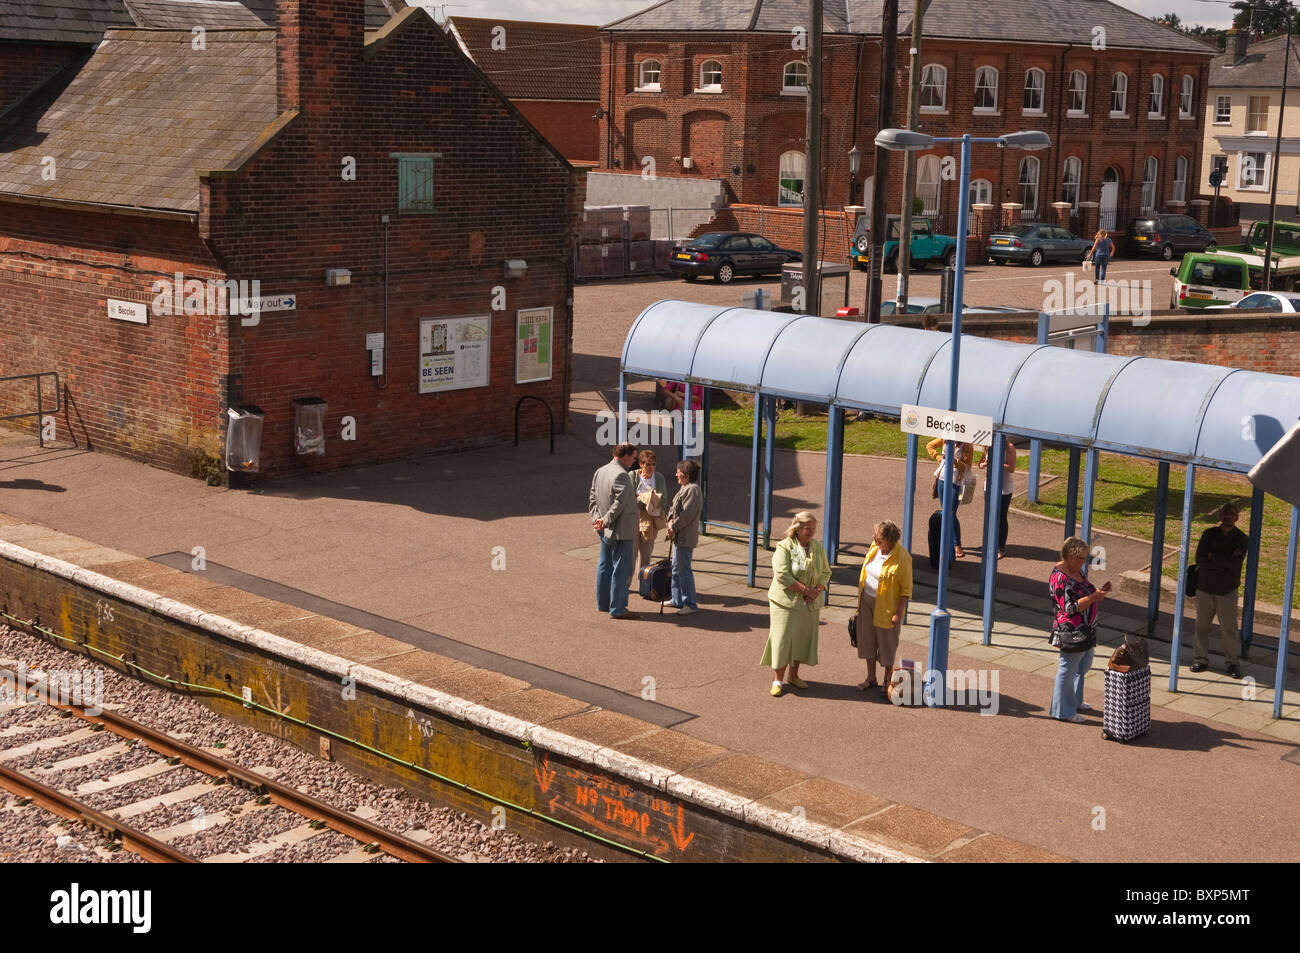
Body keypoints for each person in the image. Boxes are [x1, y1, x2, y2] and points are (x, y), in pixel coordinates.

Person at [761, 512, 831, 697]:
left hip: (809, 603)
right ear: (797, 528)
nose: (811, 532)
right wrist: (806, 590)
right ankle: (777, 680)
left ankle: (794, 676)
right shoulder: (784, 546)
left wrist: (817, 589)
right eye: (808, 528)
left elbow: (826, 571)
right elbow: (782, 574)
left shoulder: (818, 547)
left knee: (801, 639)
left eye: (813, 529)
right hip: (784, 602)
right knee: (782, 639)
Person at [1049, 536, 1111, 722]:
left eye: (1085, 558)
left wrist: (1098, 592)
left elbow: (1087, 587)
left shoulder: (1077, 571)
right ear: (1069, 557)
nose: (1084, 562)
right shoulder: (1060, 577)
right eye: (1081, 558)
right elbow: (1069, 608)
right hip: (1071, 631)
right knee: (1068, 669)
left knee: (1082, 666)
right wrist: (1093, 598)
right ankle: (1063, 711)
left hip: (1086, 628)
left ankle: (1075, 700)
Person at [855, 520, 914, 696]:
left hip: (887, 607)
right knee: (867, 640)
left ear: (889, 540)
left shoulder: (902, 558)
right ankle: (871, 677)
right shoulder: (875, 548)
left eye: (878, 537)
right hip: (866, 601)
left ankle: (888, 681)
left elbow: (906, 589)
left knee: (887, 644)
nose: (874, 539)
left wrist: (899, 612)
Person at [1192, 503, 1249, 678]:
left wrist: (1213, 557)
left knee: (1229, 629)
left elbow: (1234, 565)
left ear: (1236, 517)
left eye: (1232, 513)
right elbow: (1200, 559)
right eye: (1225, 513)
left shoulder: (1241, 538)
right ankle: (1200, 659)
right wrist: (1224, 560)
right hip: (1205, 588)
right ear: (1220, 516)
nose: (1228, 516)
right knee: (1201, 626)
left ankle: (1232, 663)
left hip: (1227, 591)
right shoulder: (1209, 534)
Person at [589, 443, 641, 620]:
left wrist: (597, 519)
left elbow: (593, 497)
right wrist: (604, 520)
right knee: (622, 569)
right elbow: (619, 504)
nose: (634, 461)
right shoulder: (622, 475)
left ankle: (603, 603)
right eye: (633, 457)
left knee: (604, 565)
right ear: (625, 456)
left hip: (604, 529)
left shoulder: (600, 471)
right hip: (621, 530)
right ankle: (618, 608)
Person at [664, 459, 703, 615]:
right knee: (675, 568)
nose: (676, 474)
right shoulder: (685, 488)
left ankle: (690, 603)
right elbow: (674, 508)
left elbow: (686, 515)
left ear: (686, 474)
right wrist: (670, 521)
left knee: (684, 570)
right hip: (679, 536)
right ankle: (677, 598)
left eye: (678, 472)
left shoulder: (692, 490)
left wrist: (673, 527)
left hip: (685, 537)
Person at [925, 437, 974, 559]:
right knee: (945, 512)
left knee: (951, 513)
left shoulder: (967, 445)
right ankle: (949, 542)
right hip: (941, 480)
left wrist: (954, 460)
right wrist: (938, 457)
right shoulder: (945, 439)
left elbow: (967, 467)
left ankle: (956, 545)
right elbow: (929, 445)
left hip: (956, 483)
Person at [978, 437, 1017, 559]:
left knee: (1001, 517)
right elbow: (980, 463)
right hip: (989, 486)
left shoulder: (1009, 447)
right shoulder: (988, 444)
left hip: (1004, 489)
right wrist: (983, 464)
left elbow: (1012, 468)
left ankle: (1001, 548)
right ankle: (991, 544)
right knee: (990, 516)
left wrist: (997, 463)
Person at [633, 449, 670, 579]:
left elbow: (664, 499)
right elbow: (630, 499)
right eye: (647, 464)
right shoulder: (632, 475)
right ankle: (624, 586)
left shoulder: (659, 478)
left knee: (645, 555)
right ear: (641, 464)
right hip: (634, 518)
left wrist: (642, 497)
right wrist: (650, 499)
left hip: (650, 520)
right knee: (630, 555)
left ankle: (643, 585)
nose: (650, 467)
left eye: (653, 464)